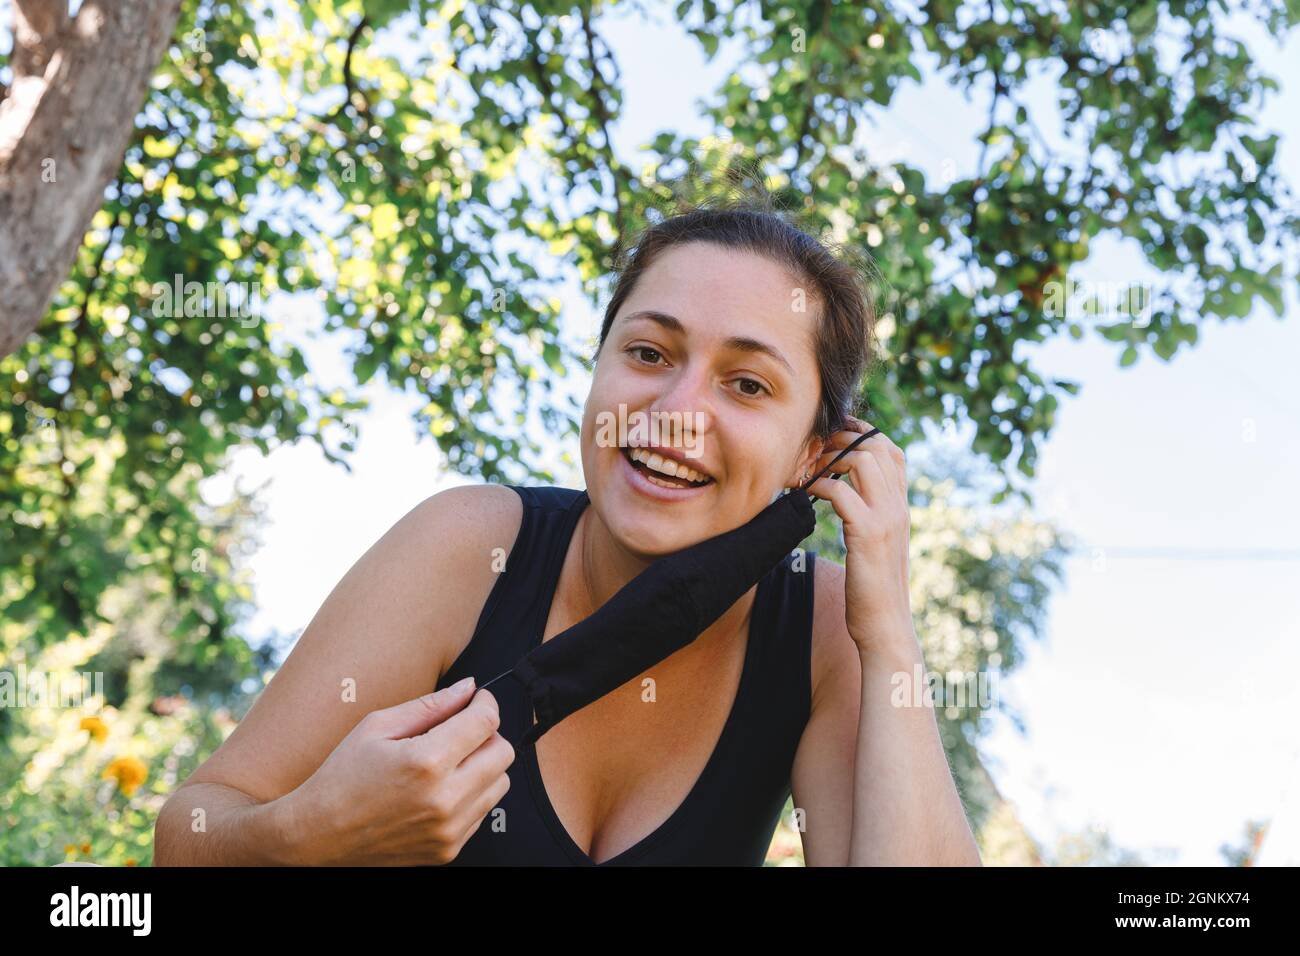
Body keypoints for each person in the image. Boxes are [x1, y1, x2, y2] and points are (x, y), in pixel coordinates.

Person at [153, 197, 982, 866]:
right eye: (651, 354)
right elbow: (190, 830)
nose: (677, 412)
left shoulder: (824, 632)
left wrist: (890, 635)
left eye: (746, 384)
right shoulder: (470, 549)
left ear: (815, 453)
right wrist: (311, 833)